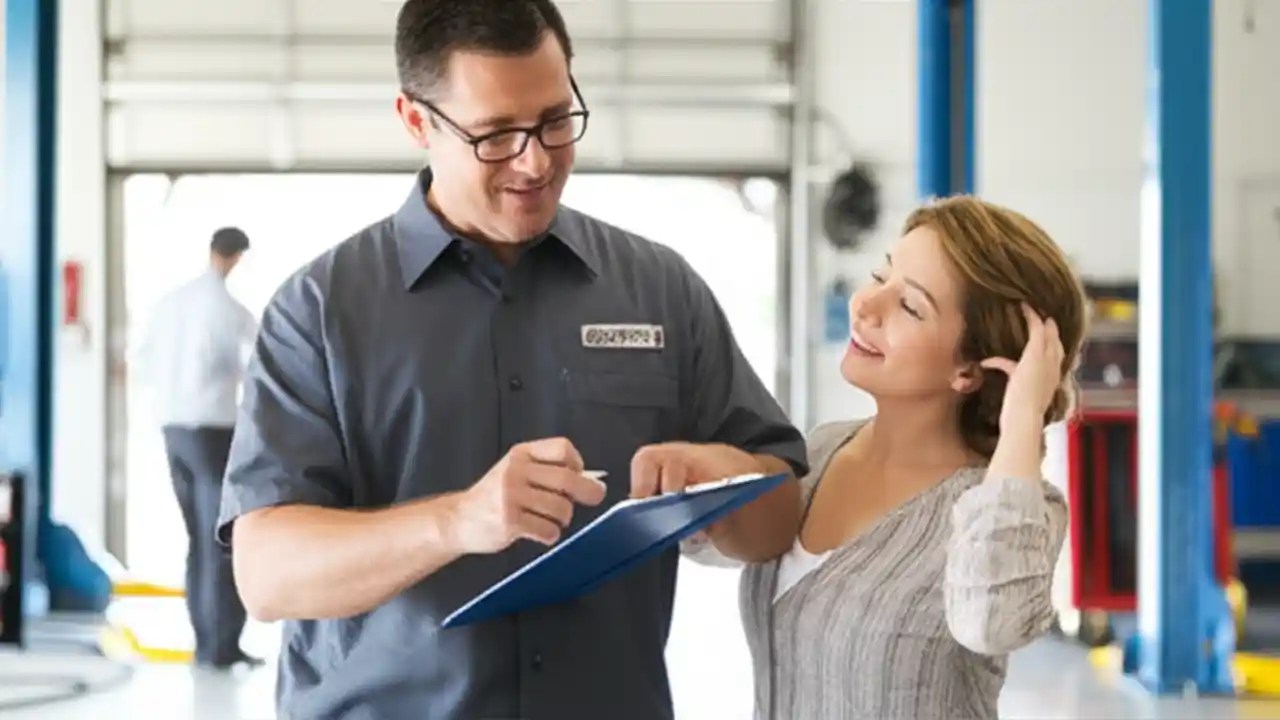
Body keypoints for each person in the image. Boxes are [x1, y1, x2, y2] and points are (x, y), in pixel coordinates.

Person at [214, 1, 807, 719]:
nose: (536, 161)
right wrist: (458, 521)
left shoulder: (660, 289)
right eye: (496, 135)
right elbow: (267, 575)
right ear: (416, 120)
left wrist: (717, 475)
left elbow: (779, 519)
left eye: (555, 120)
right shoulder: (319, 311)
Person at [735, 196, 1086, 719]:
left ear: (970, 371)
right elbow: (713, 543)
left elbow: (993, 622)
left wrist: (1023, 418)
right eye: (881, 275)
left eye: (910, 306)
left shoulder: (1012, 508)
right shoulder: (820, 451)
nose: (865, 305)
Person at [134, 226, 262, 669]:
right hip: (213, 430)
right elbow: (244, 364)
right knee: (221, 538)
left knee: (197, 539)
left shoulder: (170, 303)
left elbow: (143, 361)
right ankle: (222, 646)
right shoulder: (225, 308)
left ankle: (205, 643)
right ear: (237, 256)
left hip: (173, 428)